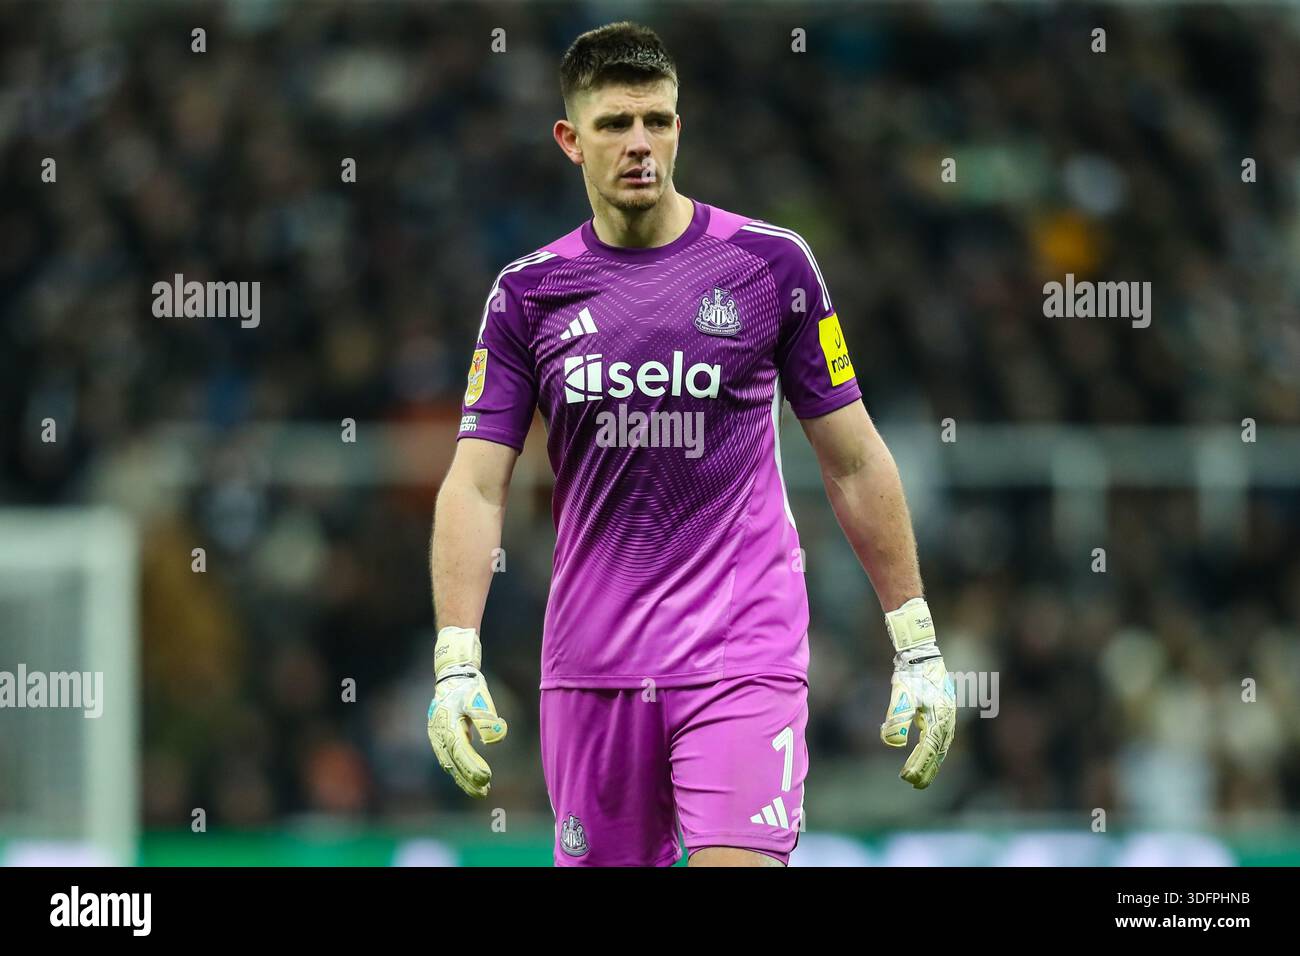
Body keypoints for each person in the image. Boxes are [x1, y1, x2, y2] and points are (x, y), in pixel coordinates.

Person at [427, 21, 956, 867]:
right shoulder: (529, 294)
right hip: (593, 667)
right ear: (571, 139)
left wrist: (918, 641)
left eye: (658, 121)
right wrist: (457, 653)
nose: (640, 144)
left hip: (741, 655)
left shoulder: (769, 266)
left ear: (680, 126)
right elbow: (476, 485)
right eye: (613, 125)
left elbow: (853, 458)